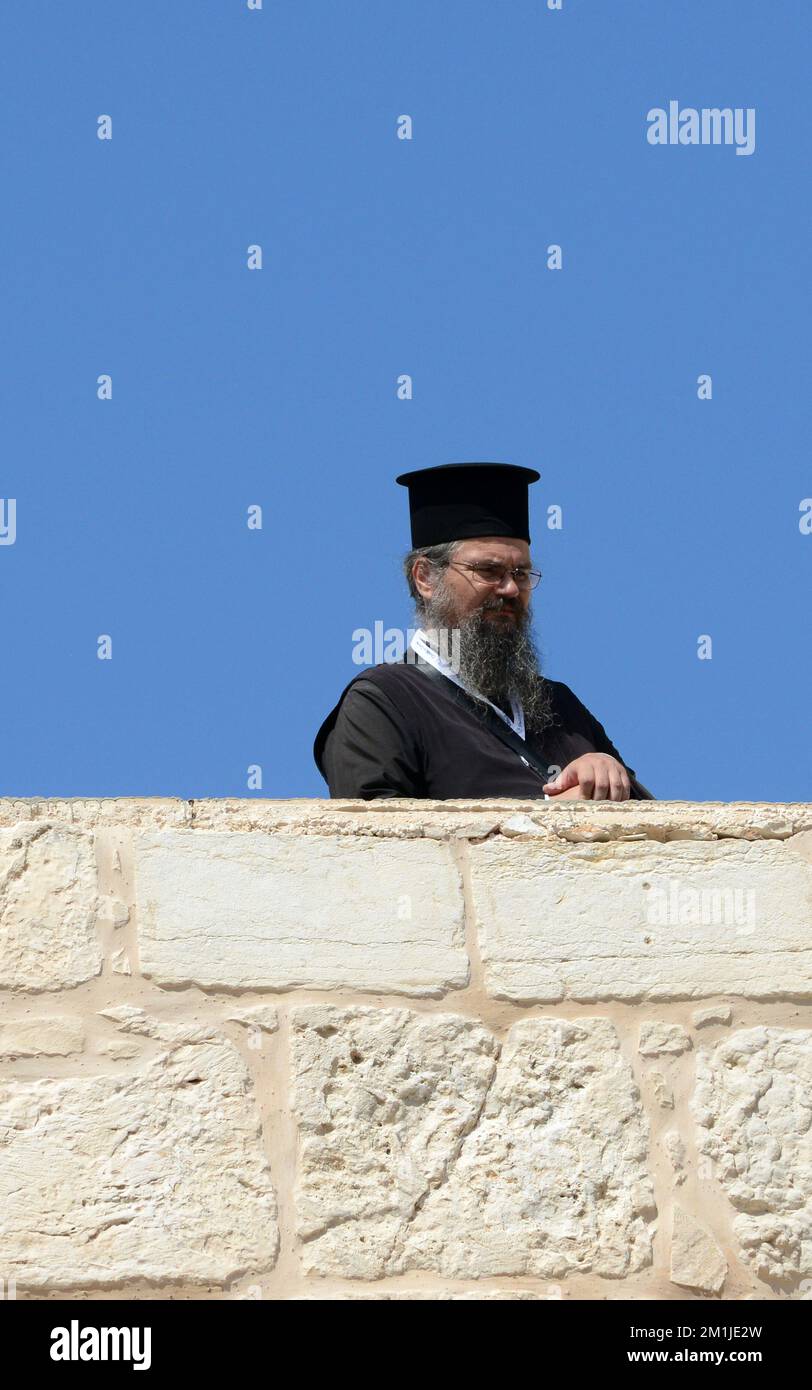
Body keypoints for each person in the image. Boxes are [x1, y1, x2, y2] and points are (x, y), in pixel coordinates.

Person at [313, 462, 654, 801]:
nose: (509, 589)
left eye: (521, 573)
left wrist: (606, 770)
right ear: (425, 578)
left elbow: (657, 833)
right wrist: (550, 813)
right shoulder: (384, 701)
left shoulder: (561, 707)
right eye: (489, 570)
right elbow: (375, 843)